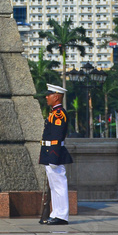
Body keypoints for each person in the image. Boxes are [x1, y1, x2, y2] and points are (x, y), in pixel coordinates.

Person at [38, 83, 73, 225]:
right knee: (54, 186)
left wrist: (53, 156)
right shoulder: (53, 113)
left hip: (54, 153)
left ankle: (62, 216)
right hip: (49, 152)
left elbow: (57, 138)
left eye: (49, 95)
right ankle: (56, 213)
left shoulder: (59, 114)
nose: (47, 97)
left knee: (59, 185)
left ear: (56, 97)